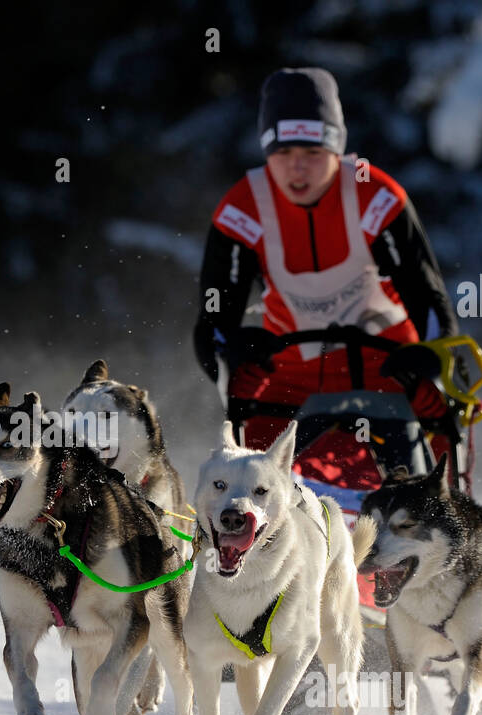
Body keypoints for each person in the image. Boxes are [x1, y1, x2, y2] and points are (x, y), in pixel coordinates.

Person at [193, 67, 466, 480]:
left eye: (312, 154)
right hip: (291, 376)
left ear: (337, 150)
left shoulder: (376, 195)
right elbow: (214, 321)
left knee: (434, 451)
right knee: (251, 485)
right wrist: (230, 354)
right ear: (267, 152)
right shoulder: (241, 209)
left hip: (389, 365)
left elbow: (427, 297)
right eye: (283, 154)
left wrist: (433, 357)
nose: (297, 169)